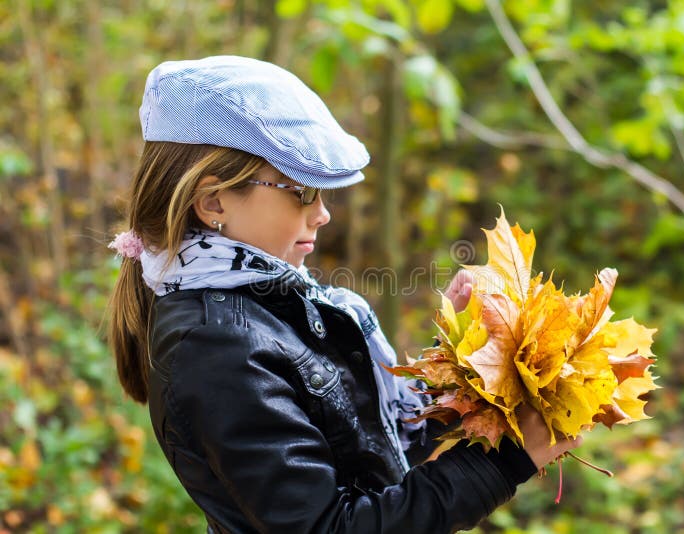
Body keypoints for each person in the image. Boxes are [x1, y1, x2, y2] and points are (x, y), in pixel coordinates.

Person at [107, 55, 581, 534]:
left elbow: (368, 444)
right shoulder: (218, 346)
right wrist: (503, 464)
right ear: (213, 202)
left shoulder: (269, 302)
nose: (322, 214)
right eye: (301, 191)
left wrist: (459, 359)